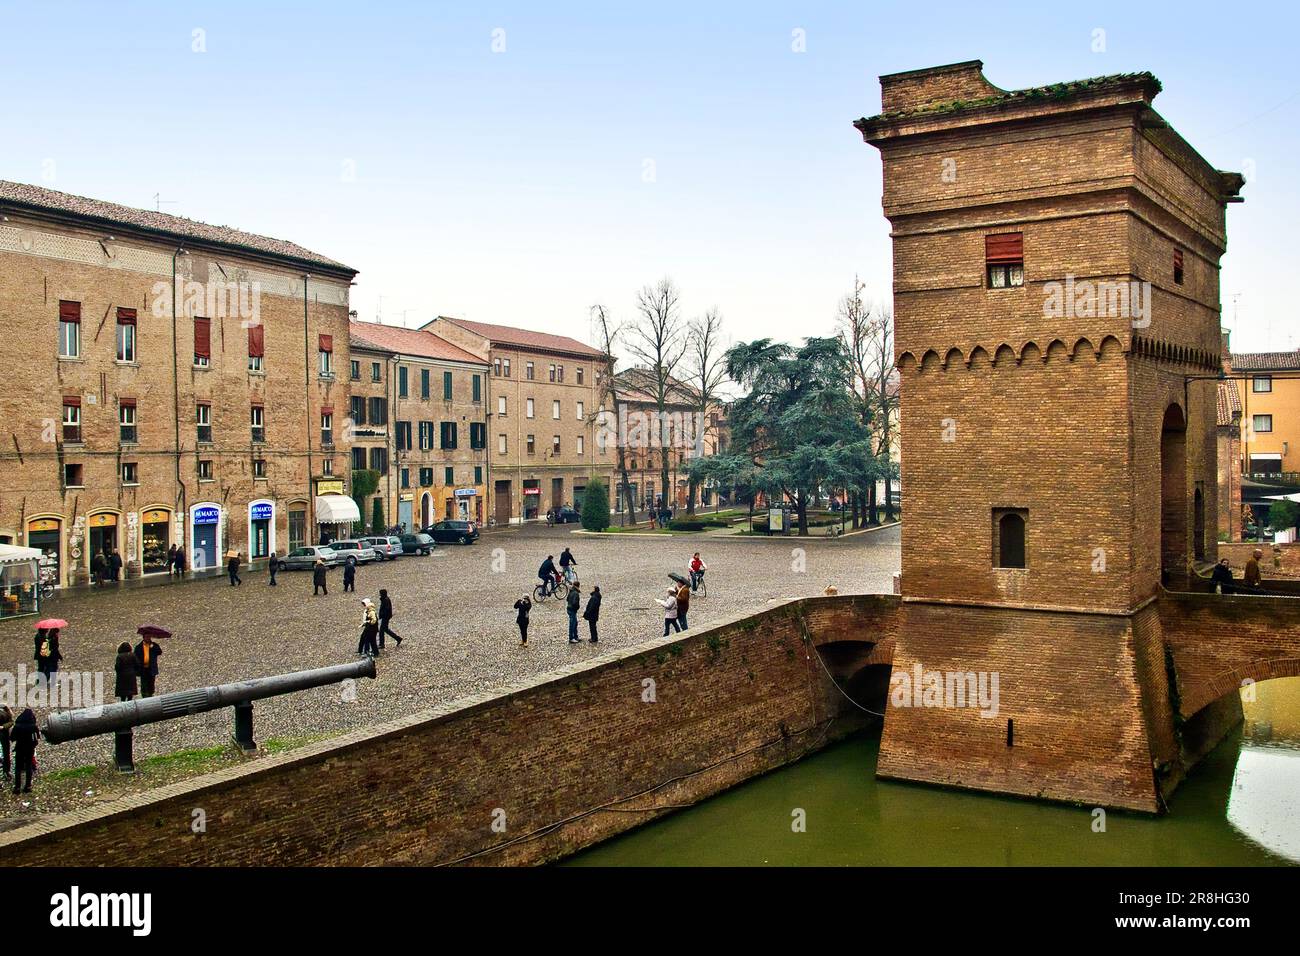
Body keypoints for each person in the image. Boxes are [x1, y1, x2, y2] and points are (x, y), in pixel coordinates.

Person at [10, 708, 38, 795]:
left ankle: (17, 787)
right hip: (29, 749)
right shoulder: (33, 726)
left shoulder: (18, 726)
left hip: (20, 748)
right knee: (29, 766)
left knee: (18, 767)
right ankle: (28, 786)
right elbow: (36, 738)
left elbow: (12, 738)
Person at [134, 633, 163, 697]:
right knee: (144, 683)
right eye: (147, 637)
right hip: (143, 668)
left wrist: (153, 647)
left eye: (149, 637)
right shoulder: (139, 647)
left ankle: (150, 694)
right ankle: (144, 695)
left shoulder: (154, 645)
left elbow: (159, 652)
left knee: (151, 682)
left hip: (151, 668)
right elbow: (135, 657)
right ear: (143, 638)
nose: (148, 638)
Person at [0, 705, 12, 780]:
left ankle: (6, 771)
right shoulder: (5, 710)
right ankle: (6, 771)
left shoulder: (4, 710)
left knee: (6, 754)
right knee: (5, 754)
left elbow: (11, 722)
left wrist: (3, 727)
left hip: (4, 736)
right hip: (4, 735)